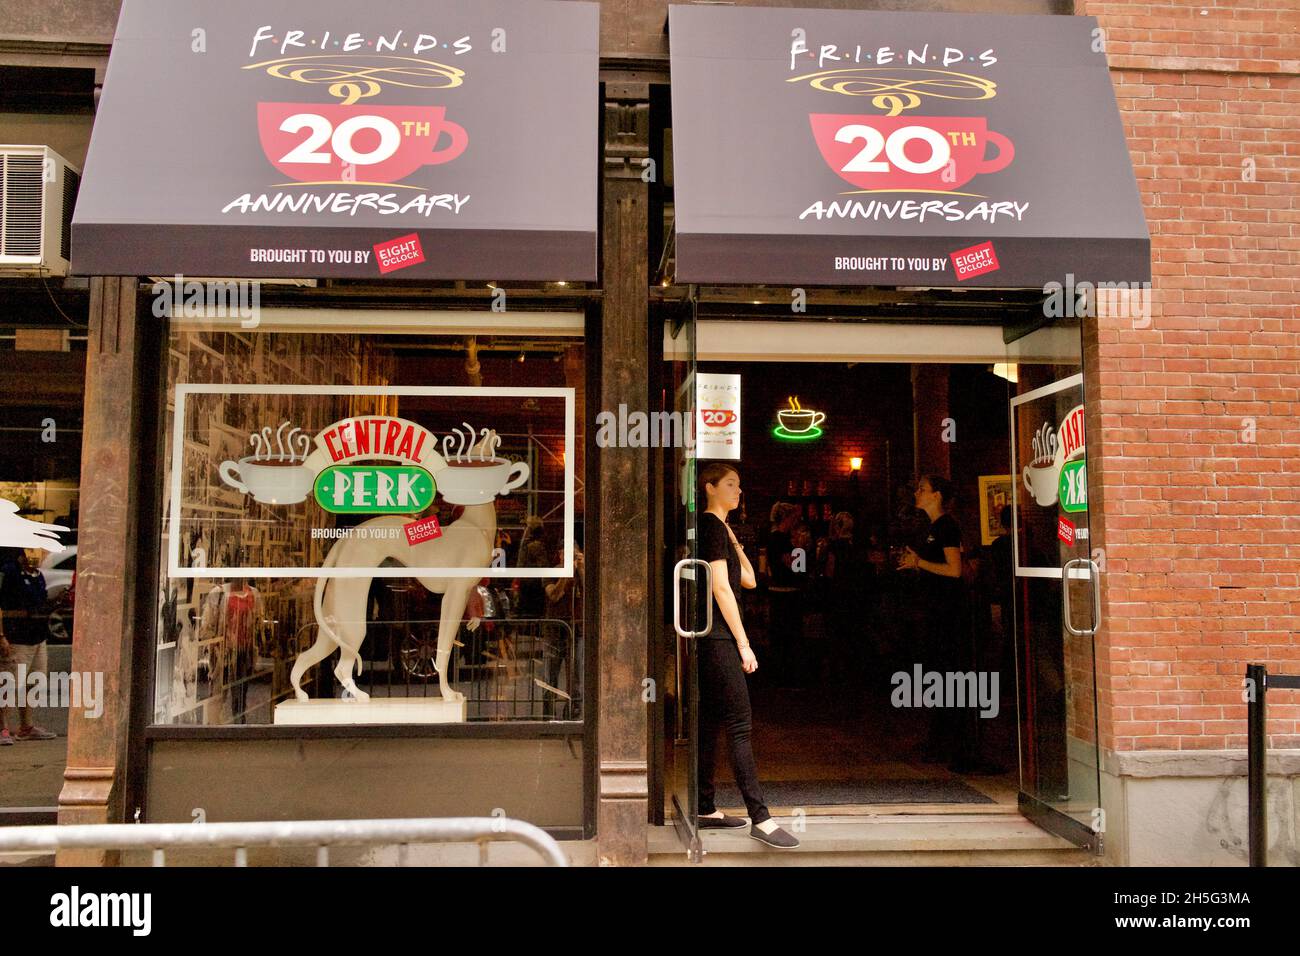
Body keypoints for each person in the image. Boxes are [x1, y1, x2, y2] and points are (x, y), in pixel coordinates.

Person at [696, 463, 799, 849]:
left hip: (714, 639)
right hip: (720, 639)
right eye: (730, 484)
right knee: (740, 724)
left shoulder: (718, 529)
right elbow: (722, 589)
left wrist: (733, 537)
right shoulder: (708, 526)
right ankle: (762, 818)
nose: (739, 491)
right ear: (709, 488)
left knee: (709, 723)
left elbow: (750, 579)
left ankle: (704, 806)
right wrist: (743, 642)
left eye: (739, 484)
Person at [897, 475, 975, 771]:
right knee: (938, 675)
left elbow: (954, 570)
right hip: (936, 612)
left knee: (947, 674)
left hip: (949, 616)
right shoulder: (932, 528)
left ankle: (951, 741)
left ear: (937, 495)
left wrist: (920, 563)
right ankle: (941, 738)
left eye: (922, 489)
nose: (916, 492)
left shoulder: (947, 526)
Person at [0, 547, 58, 743]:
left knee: (33, 682)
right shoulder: (10, 573)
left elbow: (39, 603)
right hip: (17, 638)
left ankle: (26, 725)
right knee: (9, 683)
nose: (40, 557)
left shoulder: (38, 576)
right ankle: (3, 728)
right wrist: (2, 636)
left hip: (37, 637)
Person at [764, 502, 803, 687]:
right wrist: (801, 547)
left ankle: (782, 675)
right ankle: (786, 676)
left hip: (781, 591)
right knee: (787, 635)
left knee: (782, 635)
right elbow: (796, 566)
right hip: (785, 593)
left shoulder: (777, 538)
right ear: (787, 518)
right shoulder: (779, 539)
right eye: (794, 517)